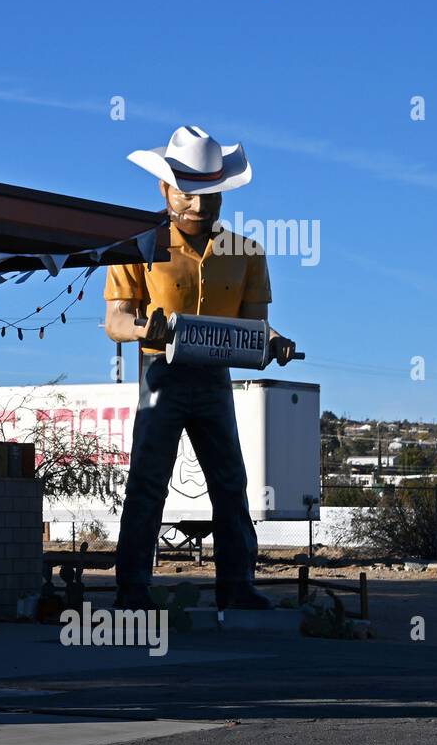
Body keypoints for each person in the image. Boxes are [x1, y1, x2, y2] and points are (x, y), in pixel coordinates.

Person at [104, 126, 296, 610]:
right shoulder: (137, 245)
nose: (198, 205)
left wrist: (275, 341)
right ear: (163, 188)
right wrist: (144, 328)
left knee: (230, 481)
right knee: (148, 480)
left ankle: (237, 584)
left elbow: (255, 326)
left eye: (210, 194)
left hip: (214, 378)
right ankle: (133, 586)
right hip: (160, 376)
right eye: (187, 193)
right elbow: (115, 320)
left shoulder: (247, 253)